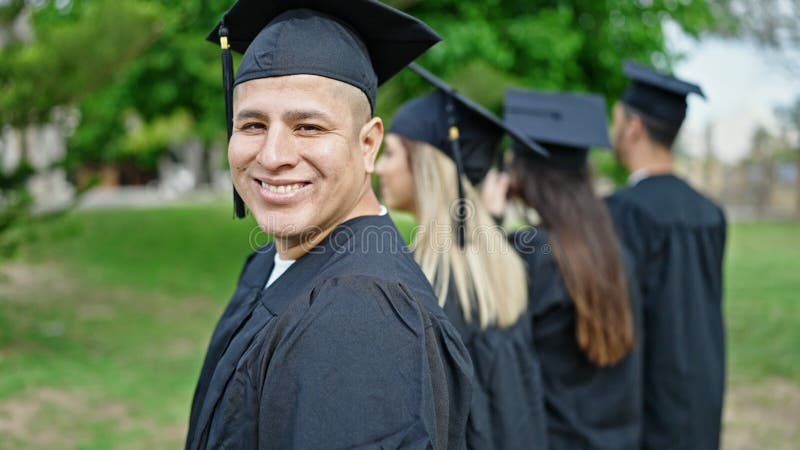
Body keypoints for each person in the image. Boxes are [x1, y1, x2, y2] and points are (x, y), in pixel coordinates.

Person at [185, 2, 474, 449]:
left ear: (368, 144)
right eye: (253, 124)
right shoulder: (272, 263)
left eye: (308, 127)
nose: (272, 155)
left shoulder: (361, 315)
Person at [376, 65, 550, 449]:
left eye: (390, 154)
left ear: (425, 168)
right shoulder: (502, 265)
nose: (378, 167)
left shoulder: (419, 286)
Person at [483, 88, 643, 449]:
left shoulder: (530, 255)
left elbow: (488, 347)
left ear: (522, 178)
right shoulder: (614, 251)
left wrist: (488, 224)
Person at [606, 60, 727, 450]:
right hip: (703, 387)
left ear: (633, 128)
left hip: (648, 395)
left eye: (616, 120)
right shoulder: (709, 212)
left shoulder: (623, 211)